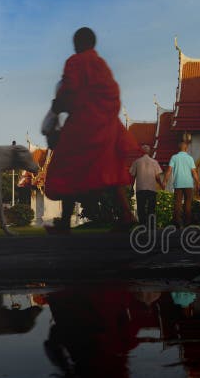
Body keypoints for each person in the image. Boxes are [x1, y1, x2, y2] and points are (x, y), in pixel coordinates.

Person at [44, 27, 139, 233]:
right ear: (93, 44)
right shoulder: (101, 64)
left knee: (66, 167)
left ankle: (65, 221)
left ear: (77, 44)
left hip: (82, 124)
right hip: (105, 125)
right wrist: (105, 115)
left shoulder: (75, 62)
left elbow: (68, 90)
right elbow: (114, 92)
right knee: (111, 171)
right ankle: (126, 215)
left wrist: (58, 107)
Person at [164, 140, 199, 228]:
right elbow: (194, 172)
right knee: (188, 204)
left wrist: (165, 181)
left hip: (178, 184)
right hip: (188, 184)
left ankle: (177, 223)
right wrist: (198, 182)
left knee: (177, 204)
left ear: (178, 149)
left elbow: (169, 171)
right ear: (186, 148)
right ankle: (187, 223)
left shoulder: (174, 157)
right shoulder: (190, 158)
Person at [129, 144, 164, 227]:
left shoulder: (137, 162)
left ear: (141, 152)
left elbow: (133, 176)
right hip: (151, 188)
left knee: (141, 207)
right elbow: (157, 177)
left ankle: (142, 225)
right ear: (149, 152)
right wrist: (161, 184)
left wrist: (131, 187)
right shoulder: (154, 162)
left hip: (140, 188)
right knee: (151, 208)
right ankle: (151, 225)